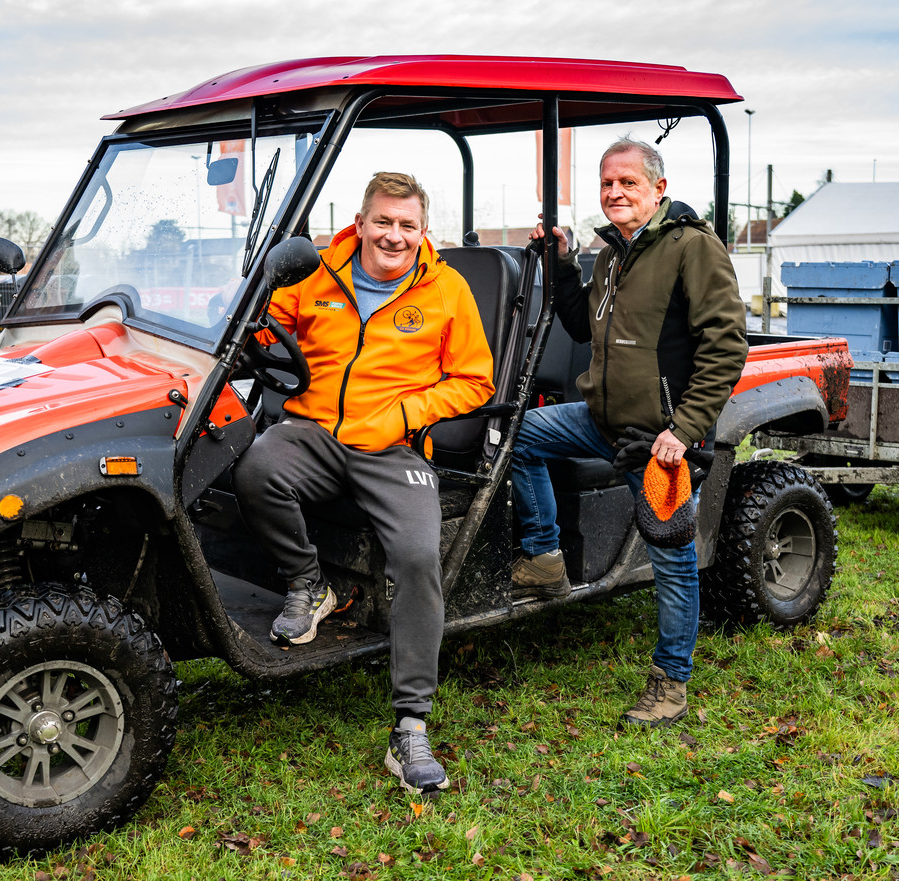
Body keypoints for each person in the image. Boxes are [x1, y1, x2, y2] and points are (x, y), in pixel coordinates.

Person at [233, 172, 495, 794]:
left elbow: (476, 381)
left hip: (393, 444)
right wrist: (255, 327)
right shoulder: (318, 272)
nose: (394, 236)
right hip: (316, 431)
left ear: (422, 231)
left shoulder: (445, 290)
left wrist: (403, 415)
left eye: (407, 225)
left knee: (415, 555)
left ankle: (411, 725)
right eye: (383, 221)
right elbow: (267, 321)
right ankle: (309, 583)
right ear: (360, 221)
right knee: (254, 467)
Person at [514, 136, 747, 728]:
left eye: (628, 183)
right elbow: (581, 324)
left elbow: (726, 347)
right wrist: (560, 263)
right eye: (607, 184)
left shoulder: (693, 249)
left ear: (658, 189)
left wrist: (685, 429)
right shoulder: (612, 254)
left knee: (671, 560)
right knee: (522, 432)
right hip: (603, 423)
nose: (615, 193)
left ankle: (671, 682)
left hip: (662, 441)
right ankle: (545, 556)